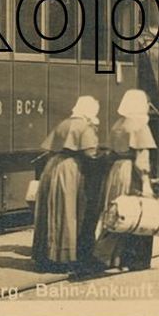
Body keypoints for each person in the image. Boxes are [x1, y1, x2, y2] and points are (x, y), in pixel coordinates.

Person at [32, 96, 102, 273]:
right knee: (68, 211)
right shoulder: (84, 127)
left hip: (53, 167)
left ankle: (46, 254)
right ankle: (65, 257)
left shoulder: (64, 123)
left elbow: (49, 147)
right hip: (70, 169)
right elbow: (91, 154)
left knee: (51, 211)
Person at [91, 89, 159, 271]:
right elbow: (141, 160)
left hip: (116, 171)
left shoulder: (118, 125)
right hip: (131, 173)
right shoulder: (140, 125)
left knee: (117, 213)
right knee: (137, 215)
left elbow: (111, 152)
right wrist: (146, 184)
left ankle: (111, 257)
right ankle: (134, 260)